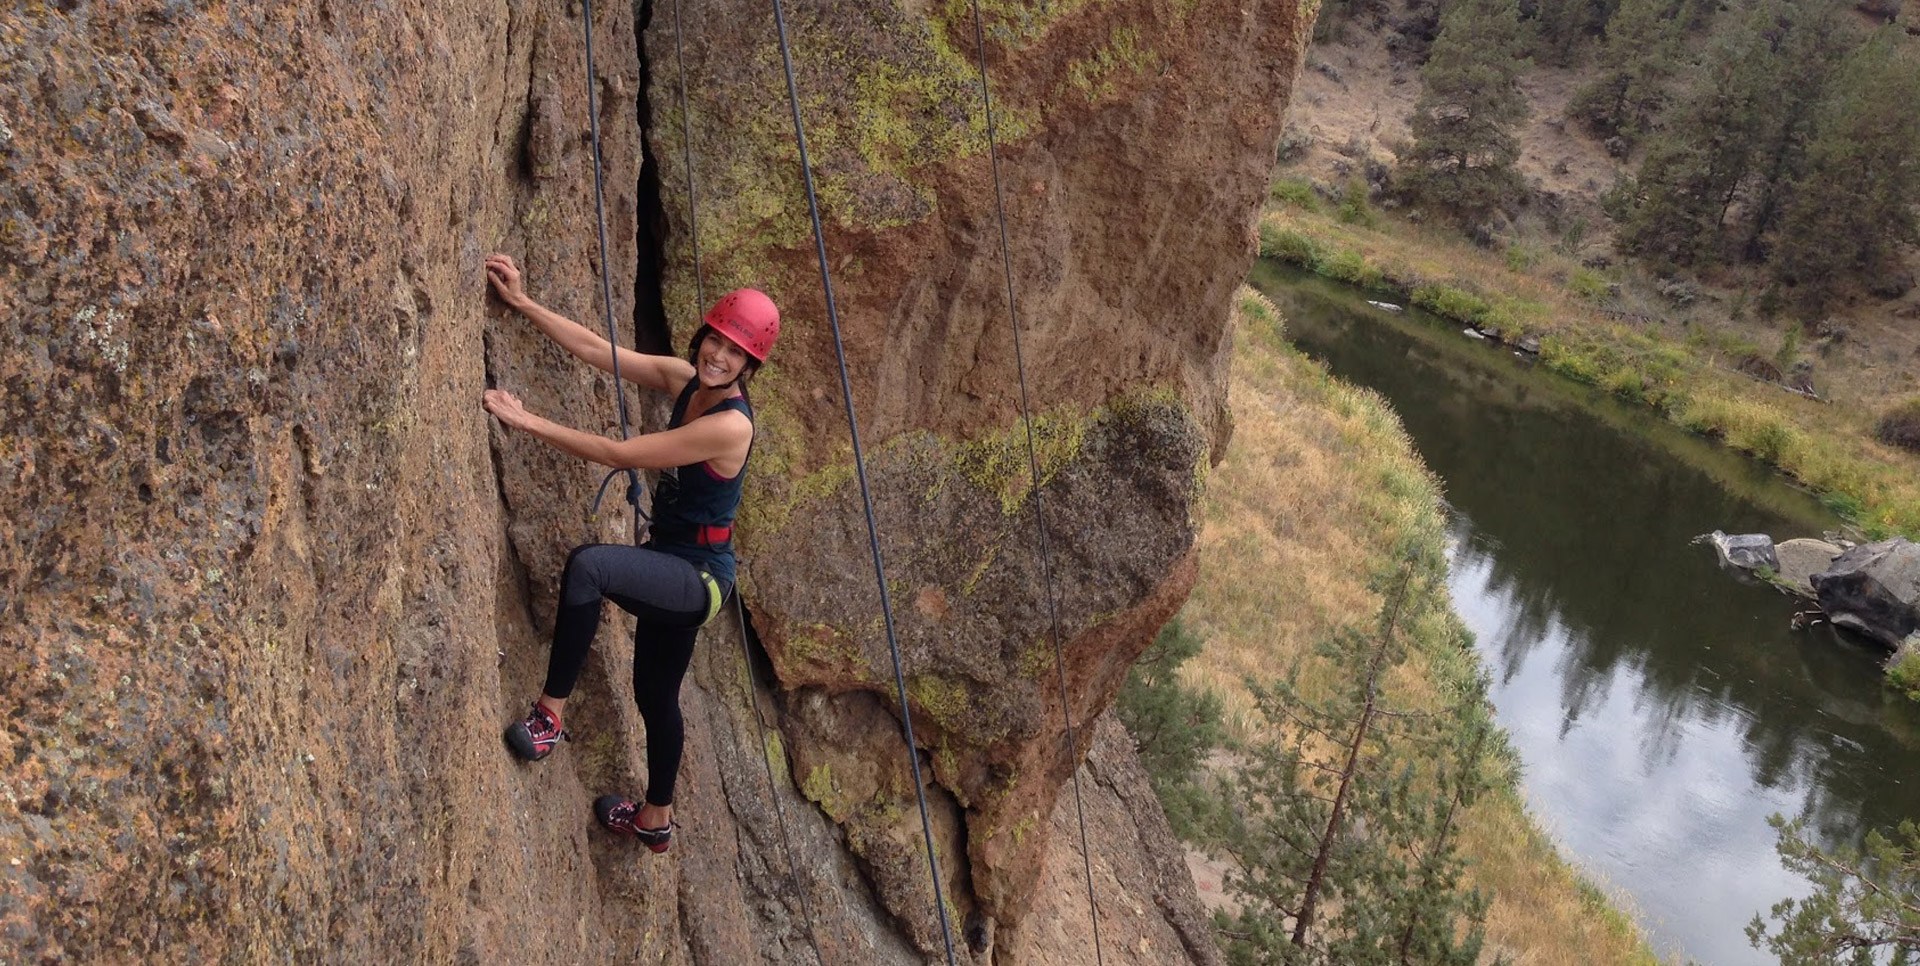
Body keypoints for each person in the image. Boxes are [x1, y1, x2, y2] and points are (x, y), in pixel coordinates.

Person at [480, 253, 778, 854]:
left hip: (698, 576)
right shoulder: (687, 381)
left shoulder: (731, 426)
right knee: (654, 696)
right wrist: (524, 302)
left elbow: (621, 455)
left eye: (734, 352)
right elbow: (599, 352)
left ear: (751, 365)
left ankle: (548, 718)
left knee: (590, 566)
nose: (718, 357)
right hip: (675, 560)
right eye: (714, 342)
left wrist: (525, 421)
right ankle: (654, 820)